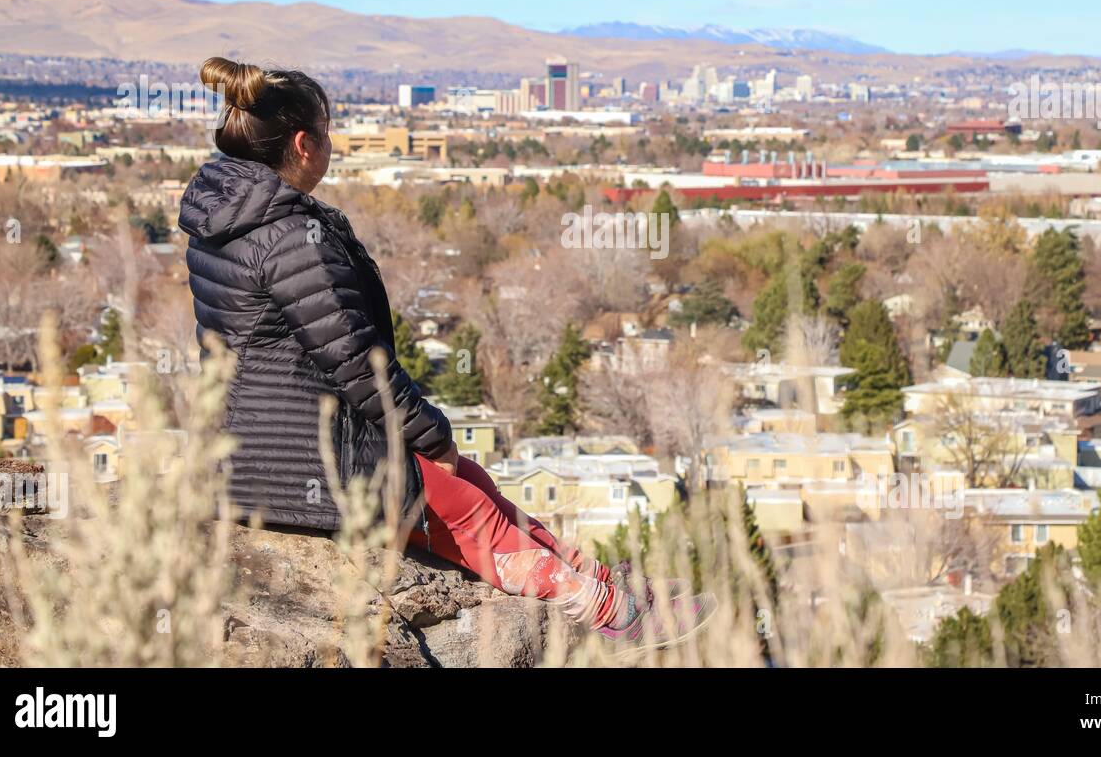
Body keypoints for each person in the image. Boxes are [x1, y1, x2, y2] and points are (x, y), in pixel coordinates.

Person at [178, 57, 714, 653]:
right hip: (306, 466)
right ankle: (610, 616)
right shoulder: (288, 237)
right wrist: (432, 434)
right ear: (303, 144)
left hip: (255, 450)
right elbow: (359, 366)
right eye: (328, 134)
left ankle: (603, 582)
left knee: (475, 485)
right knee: (467, 506)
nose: (333, 146)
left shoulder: (222, 217)